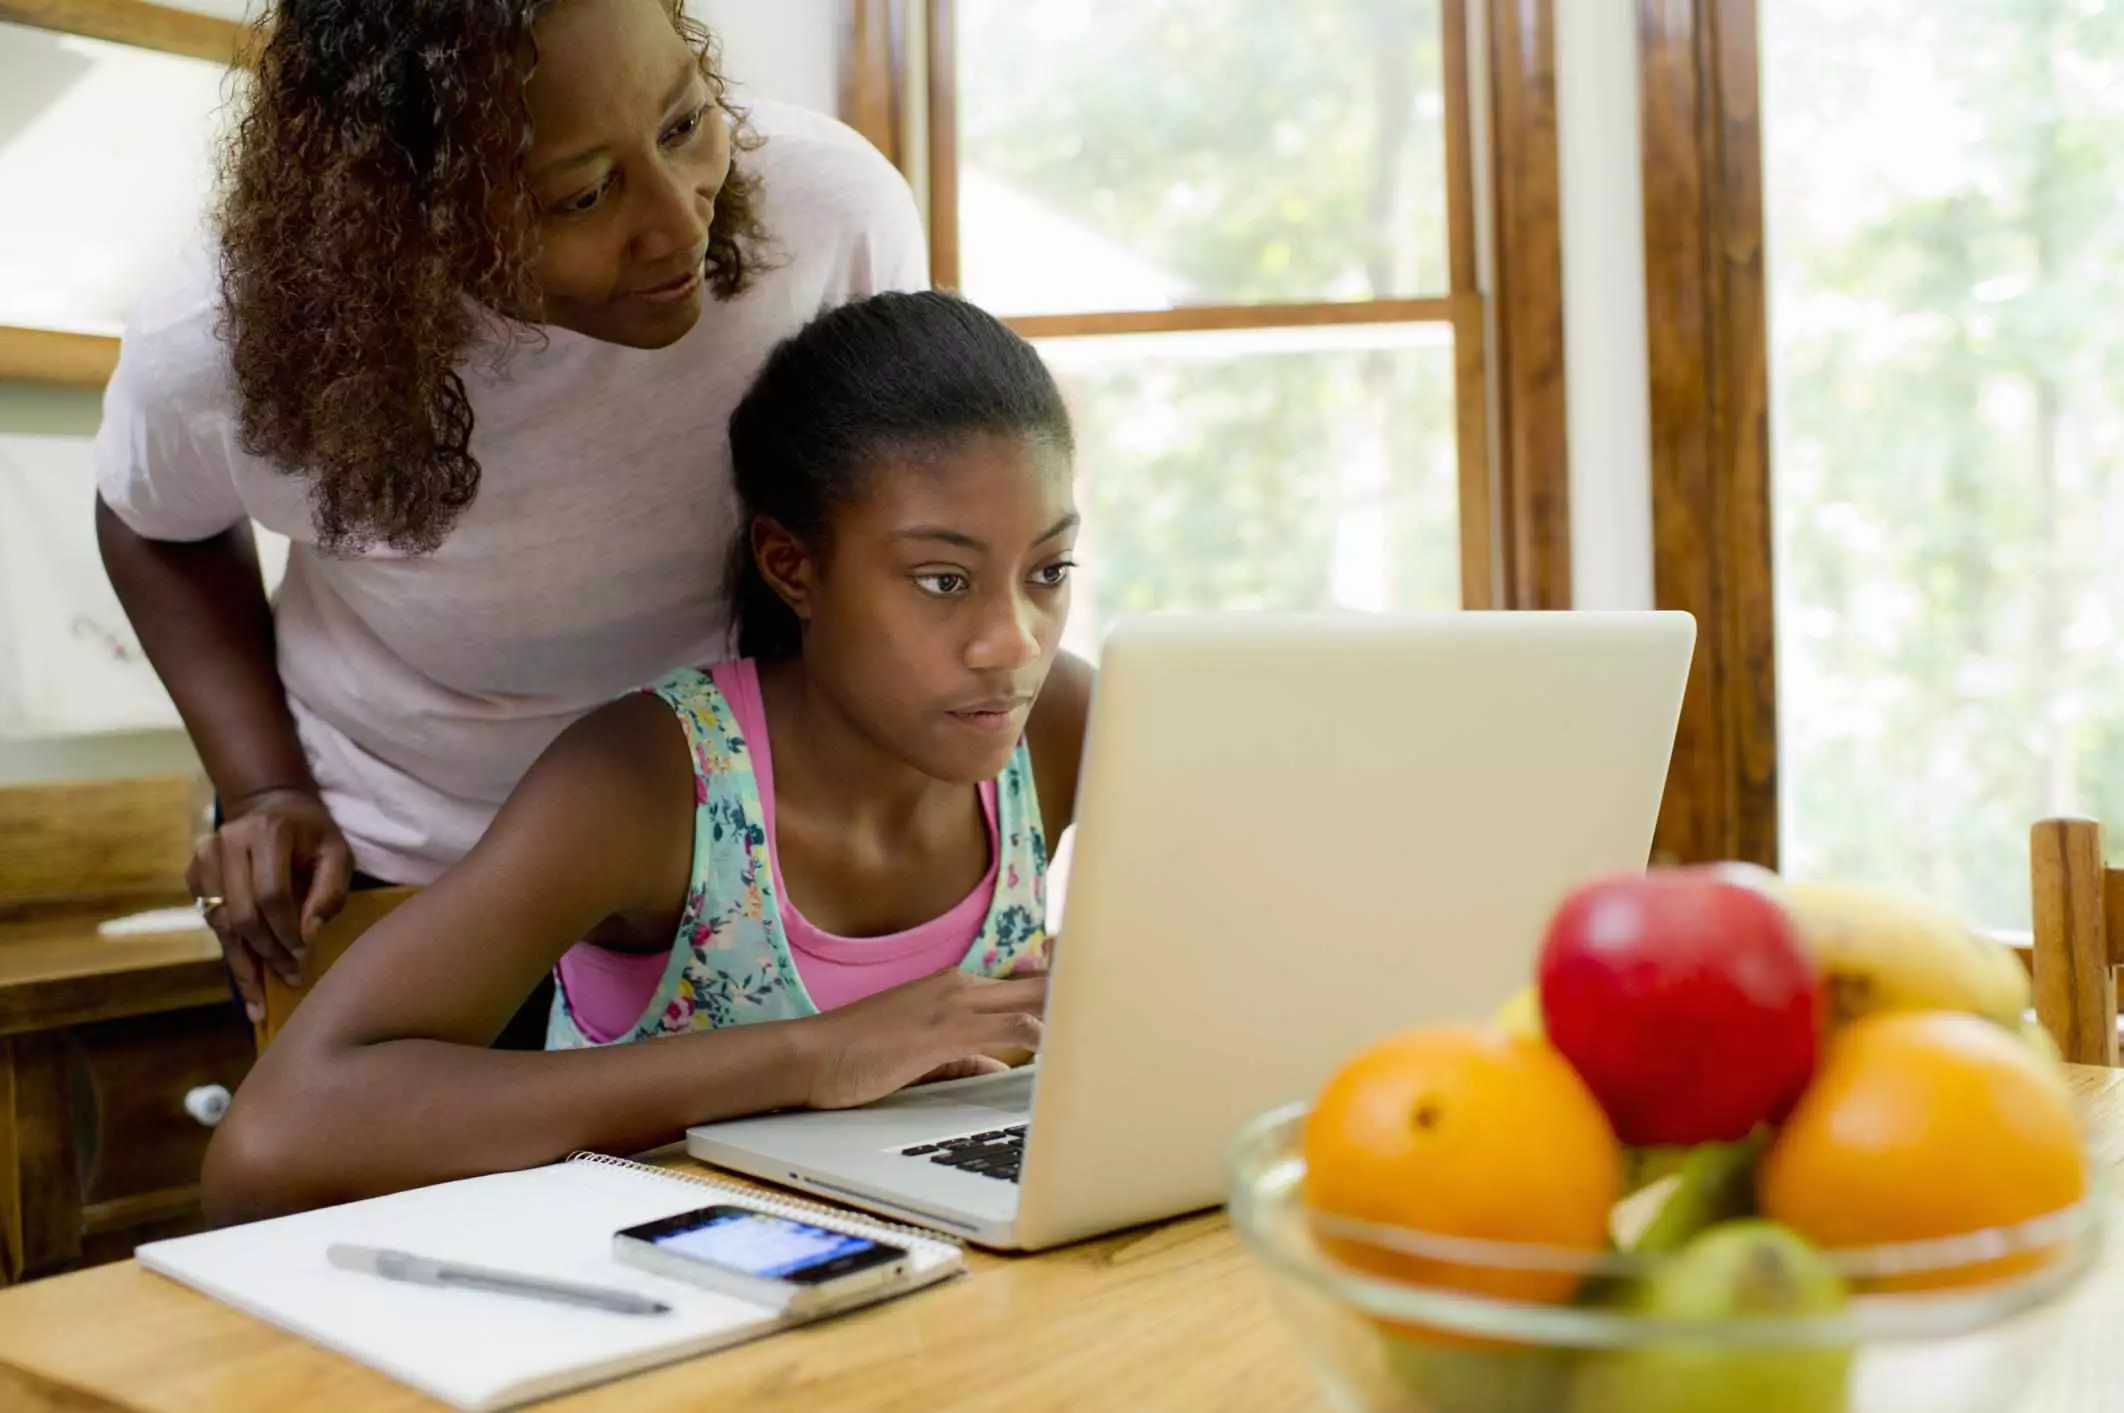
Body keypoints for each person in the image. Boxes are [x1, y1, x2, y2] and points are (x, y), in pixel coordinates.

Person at [93, 0, 927, 1048]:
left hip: (721, 844)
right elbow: (152, 525)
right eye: (580, 193)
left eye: (683, 123)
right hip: (393, 851)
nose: (679, 224)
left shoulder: (828, 212)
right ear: (409, 218)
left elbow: (894, 491)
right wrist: (262, 787)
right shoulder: (228, 337)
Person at [202, 291, 1094, 1225]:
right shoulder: (654, 780)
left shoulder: (1058, 723)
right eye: (942, 580)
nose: (1013, 642)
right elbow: (271, 1143)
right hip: (667, 1303)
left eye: (1048, 572)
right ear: (793, 567)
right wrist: (815, 1056)